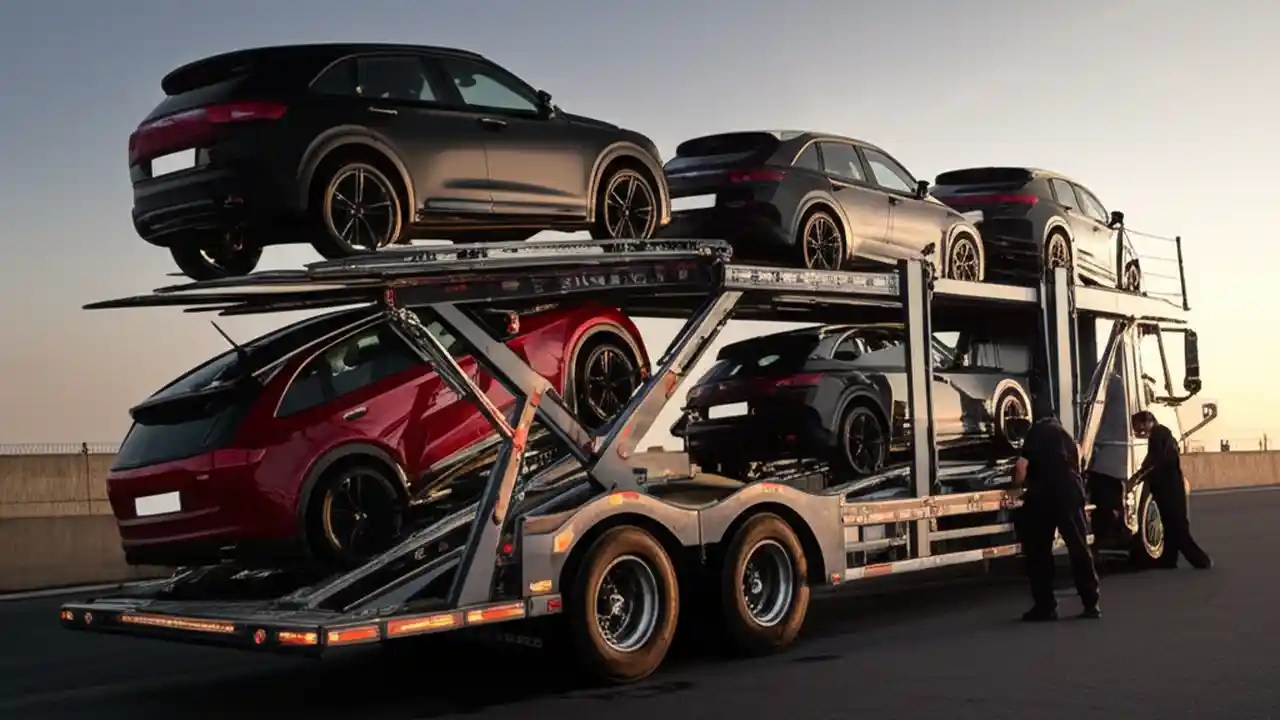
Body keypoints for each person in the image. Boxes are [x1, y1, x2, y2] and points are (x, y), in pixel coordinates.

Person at [1011, 414, 1101, 621]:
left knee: (1038, 551)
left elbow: (1021, 467)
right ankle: (1091, 603)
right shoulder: (1067, 438)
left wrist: (1016, 484)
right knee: (1078, 547)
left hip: (1044, 495)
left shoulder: (1036, 433)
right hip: (1070, 491)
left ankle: (1045, 607)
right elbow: (1078, 463)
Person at [1131, 411, 1212, 569]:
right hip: (1170, 486)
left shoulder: (1158, 435)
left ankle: (1201, 561)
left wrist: (1136, 478)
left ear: (1147, 422)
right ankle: (1168, 560)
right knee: (1170, 525)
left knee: (1177, 527)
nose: (1137, 431)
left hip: (1168, 488)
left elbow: (1155, 461)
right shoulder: (1162, 434)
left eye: (1138, 426)